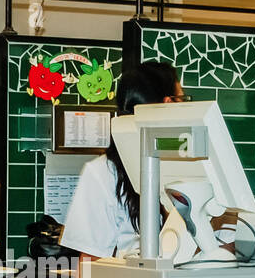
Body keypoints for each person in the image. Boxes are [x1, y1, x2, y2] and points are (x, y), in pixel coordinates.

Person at [58, 61, 186, 259]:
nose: (186, 106)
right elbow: (90, 262)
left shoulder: (194, 167)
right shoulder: (103, 172)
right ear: (168, 103)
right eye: (182, 99)